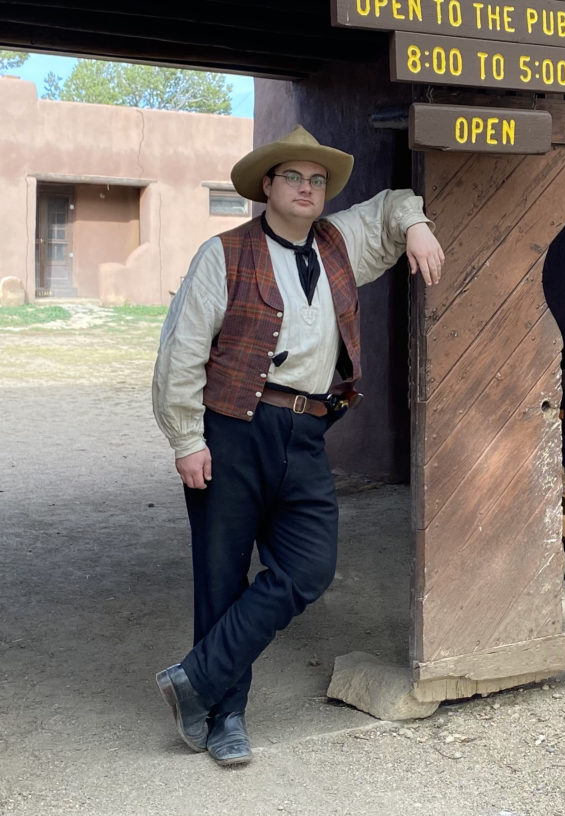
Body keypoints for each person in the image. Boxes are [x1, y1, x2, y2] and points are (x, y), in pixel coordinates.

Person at [152, 124, 444, 765]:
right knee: (222, 576)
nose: (307, 188)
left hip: (306, 431)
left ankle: (195, 679)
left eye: (317, 180)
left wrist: (417, 226)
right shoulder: (223, 253)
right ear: (267, 185)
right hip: (232, 429)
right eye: (294, 177)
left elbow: (393, 205)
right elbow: (182, 350)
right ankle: (225, 716)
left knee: (309, 567)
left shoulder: (340, 243)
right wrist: (186, 439)